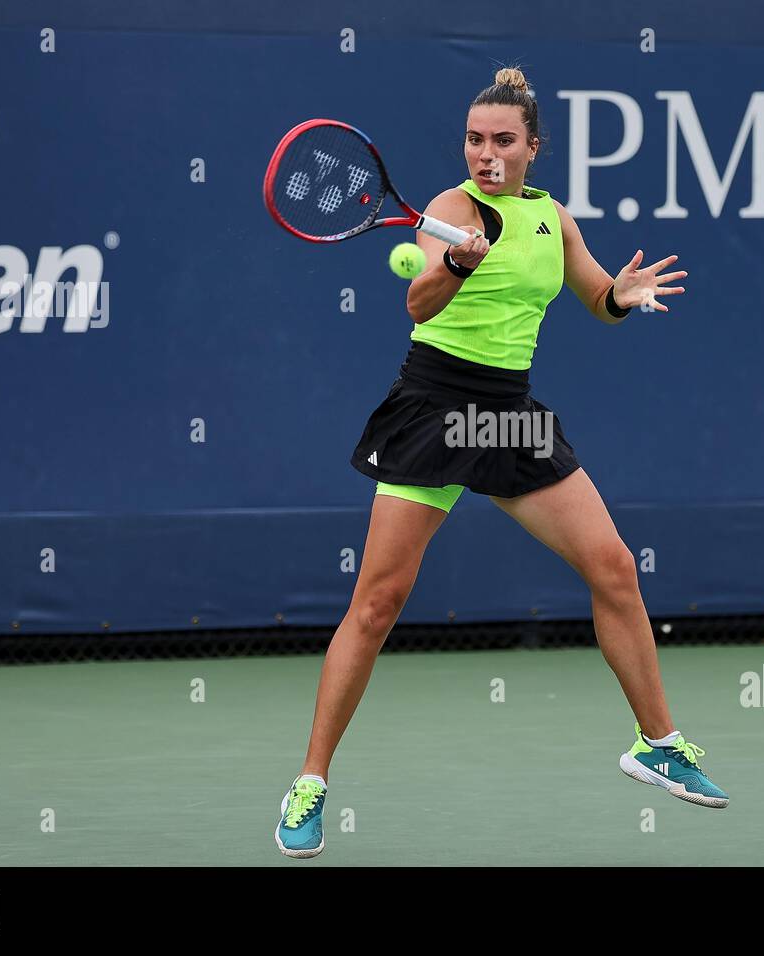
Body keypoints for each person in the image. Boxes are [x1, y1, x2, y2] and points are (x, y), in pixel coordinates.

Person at [275, 65, 728, 860]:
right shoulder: (450, 210)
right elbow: (417, 305)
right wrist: (455, 263)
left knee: (614, 567)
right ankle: (310, 782)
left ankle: (657, 743)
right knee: (377, 606)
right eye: (476, 140)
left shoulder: (555, 218)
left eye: (503, 142)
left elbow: (595, 299)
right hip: (432, 407)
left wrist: (622, 294)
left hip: (508, 416)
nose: (487, 154)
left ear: (532, 148)